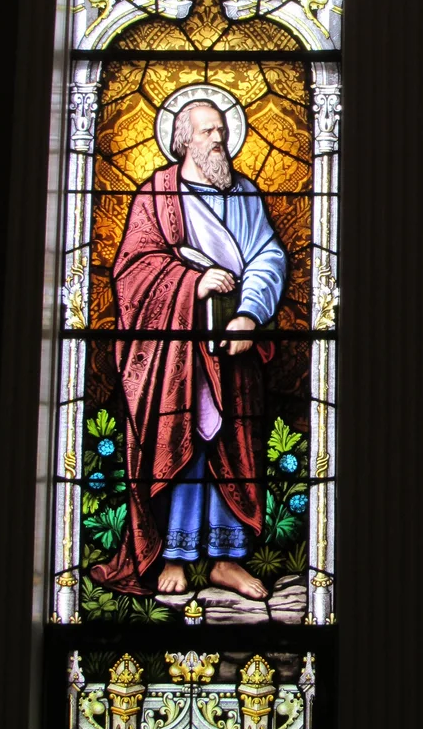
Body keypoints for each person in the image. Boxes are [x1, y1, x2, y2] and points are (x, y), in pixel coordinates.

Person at [91, 99, 287, 600]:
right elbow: (133, 269)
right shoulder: (156, 195)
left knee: (232, 447)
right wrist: (193, 283)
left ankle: (226, 558)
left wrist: (249, 314)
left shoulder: (242, 193)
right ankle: (174, 554)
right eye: (207, 131)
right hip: (175, 353)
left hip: (232, 349)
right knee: (181, 439)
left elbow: (268, 254)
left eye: (222, 130)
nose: (218, 140)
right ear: (182, 140)